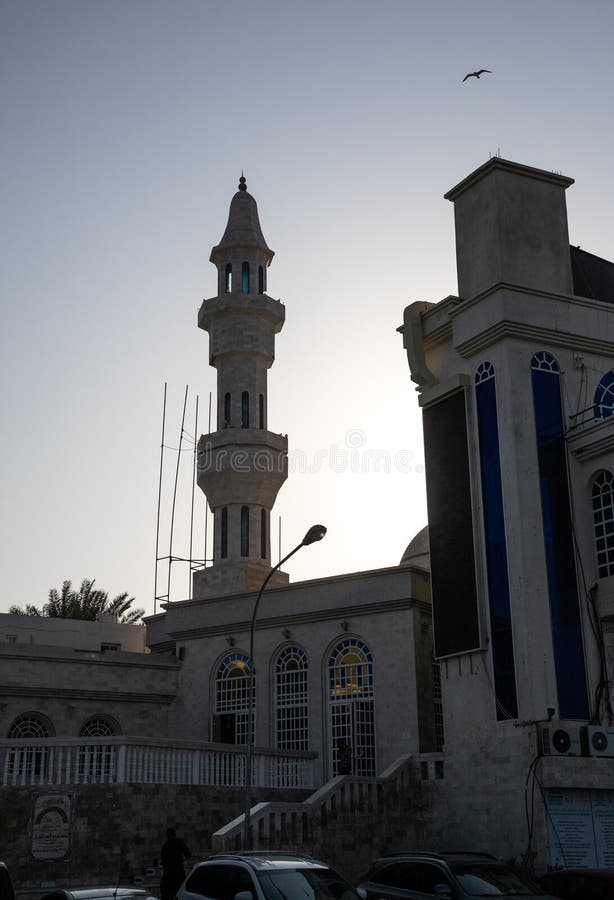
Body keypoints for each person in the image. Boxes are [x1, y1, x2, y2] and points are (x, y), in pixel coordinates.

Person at [160, 827, 191, 900]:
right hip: (178, 871)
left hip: (168, 873)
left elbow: (163, 860)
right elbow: (188, 854)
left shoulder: (165, 845)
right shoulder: (179, 842)